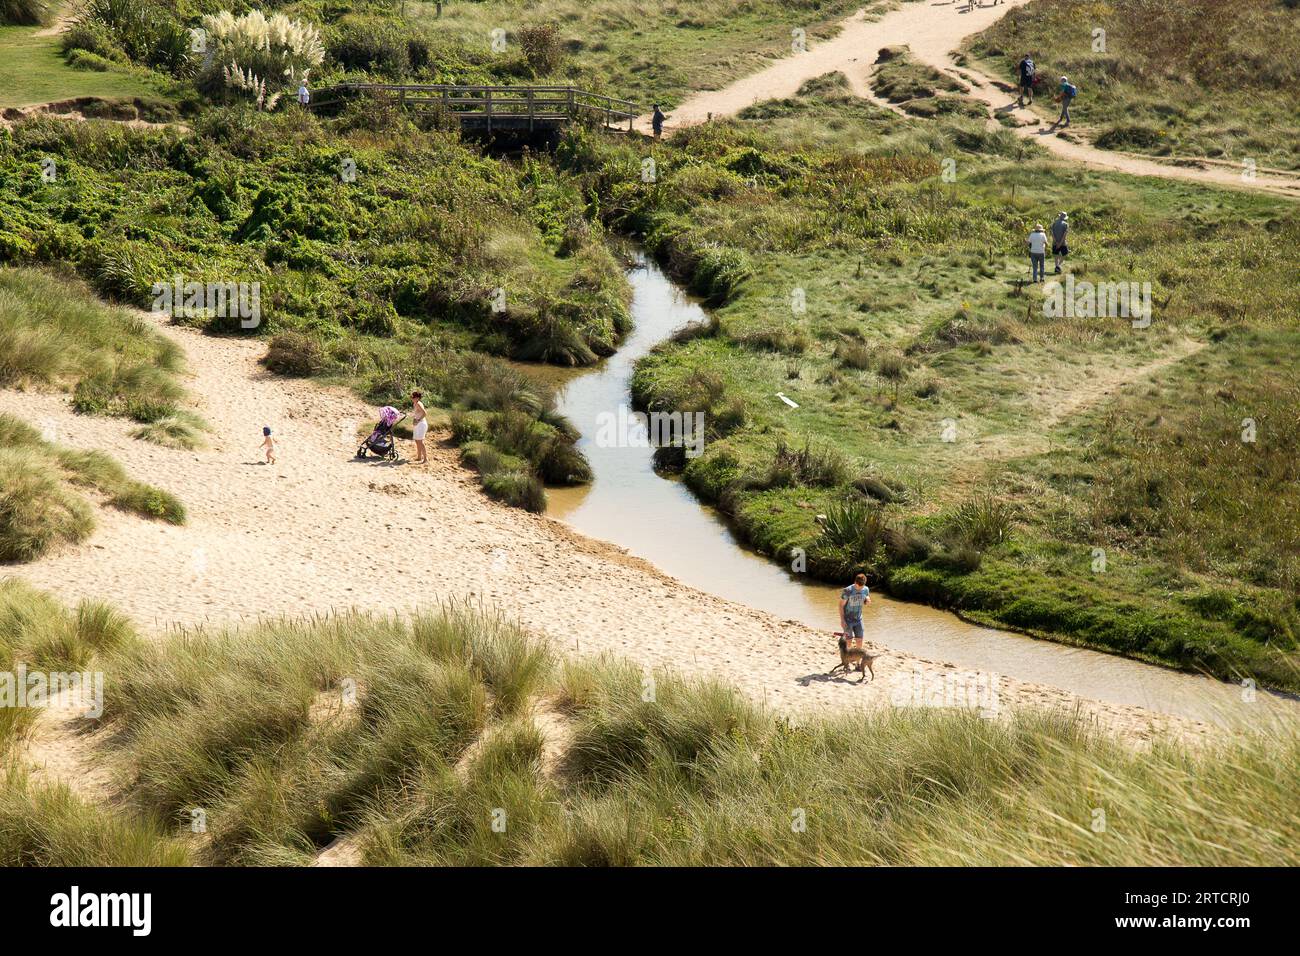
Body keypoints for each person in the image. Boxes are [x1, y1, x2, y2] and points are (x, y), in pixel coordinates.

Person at [839, 573, 872, 650]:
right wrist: (842, 620)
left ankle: (858, 659)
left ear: (864, 584)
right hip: (848, 620)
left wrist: (867, 600)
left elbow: (866, 597)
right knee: (848, 641)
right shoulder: (847, 590)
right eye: (858, 587)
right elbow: (841, 605)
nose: (859, 589)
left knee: (860, 640)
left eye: (861, 587)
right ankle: (847, 658)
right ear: (855, 582)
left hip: (858, 619)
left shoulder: (866, 589)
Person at [411, 391, 428, 464]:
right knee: (417, 441)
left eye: (413, 397)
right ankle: (419, 457)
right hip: (418, 424)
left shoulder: (418, 403)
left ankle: (425, 458)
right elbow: (417, 413)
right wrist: (415, 420)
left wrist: (418, 420)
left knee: (420, 441)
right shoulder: (415, 403)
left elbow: (425, 413)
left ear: (417, 398)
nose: (412, 398)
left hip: (421, 424)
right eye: (412, 397)